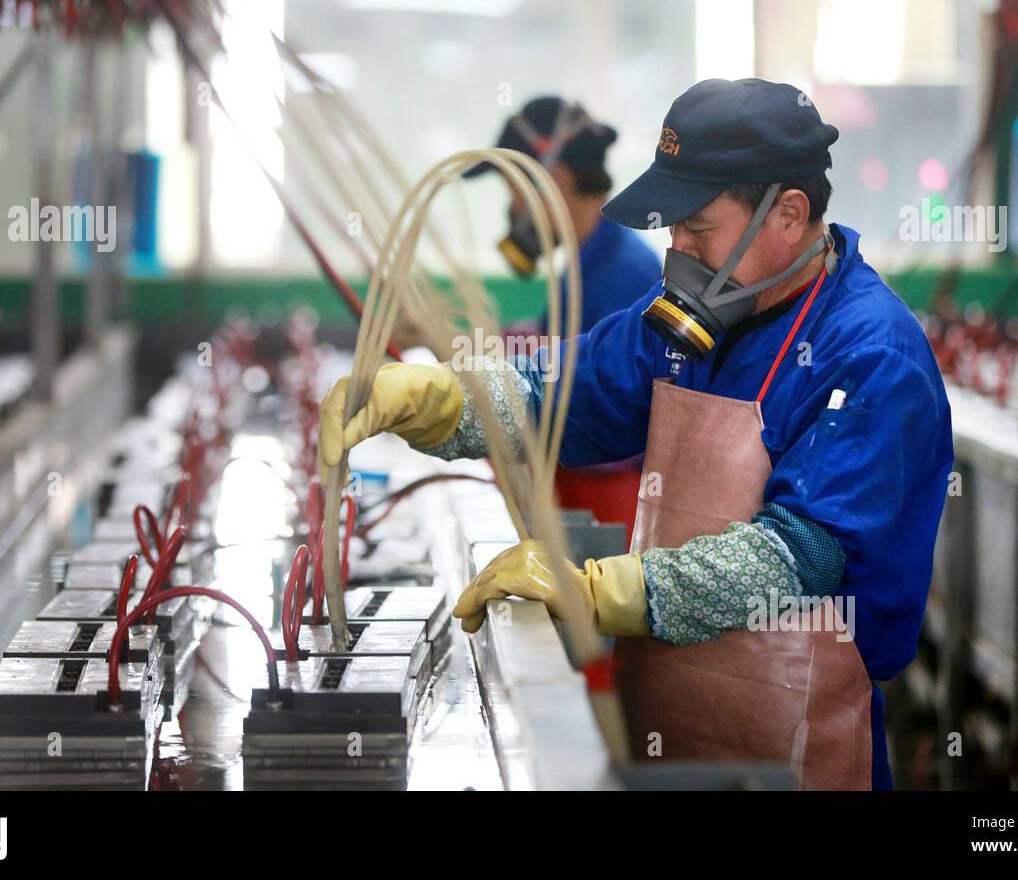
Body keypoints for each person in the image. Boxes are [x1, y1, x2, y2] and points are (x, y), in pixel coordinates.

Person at [319, 78, 954, 790]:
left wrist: (600, 592)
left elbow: (792, 559)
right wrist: (442, 402)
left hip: (802, 738)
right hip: (673, 710)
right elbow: (563, 391)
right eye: (672, 225)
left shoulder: (870, 354)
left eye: (697, 226)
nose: (675, 246)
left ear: (788, 214)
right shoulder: (697, 320)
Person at [464, 95, 662, 334]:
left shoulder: (626, 279)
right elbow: (555, 344)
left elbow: (569, 366)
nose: (515, 208)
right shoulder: (590, 257)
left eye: (516, 192)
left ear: (558, 179)